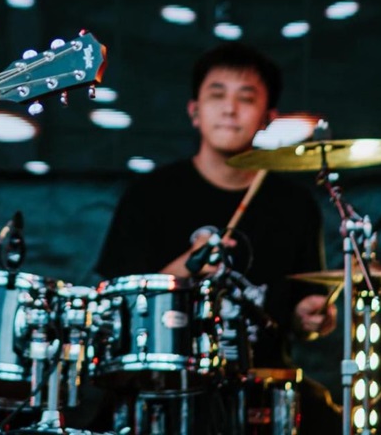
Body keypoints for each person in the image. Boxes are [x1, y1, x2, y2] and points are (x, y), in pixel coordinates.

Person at [93, 42, 340, 432]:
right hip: (166, 384)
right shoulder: (150, 195)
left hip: (262, 385)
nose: (230, 109)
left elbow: (302, 315)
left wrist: (312, 316)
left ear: (268, 119)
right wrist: (184, 269)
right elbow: (116, 305)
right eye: (217, 95)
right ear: (194, 111)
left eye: (246, 98)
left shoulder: (296, 205)